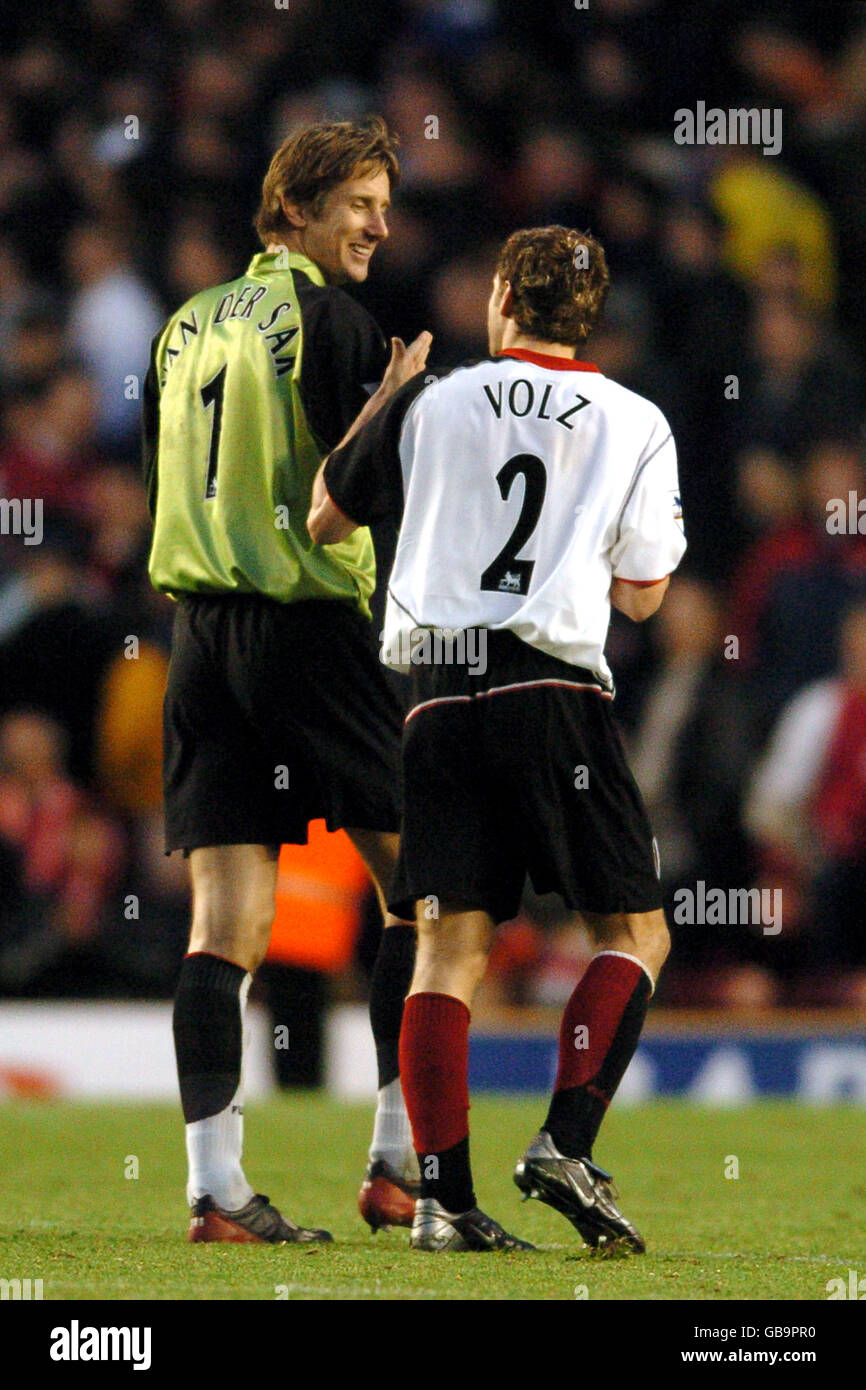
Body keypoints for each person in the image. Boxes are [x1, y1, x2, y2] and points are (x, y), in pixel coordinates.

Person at [309, 225, 686, 1253]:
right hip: (552, 691)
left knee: (447, 946)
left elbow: (326, 518)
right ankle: (564, 1142)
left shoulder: (434, 400)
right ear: (592, 313)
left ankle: (440, 1201)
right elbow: (644, 596)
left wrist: (388, 396)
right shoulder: (633, 419)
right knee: (634, 933)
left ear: (499, 298)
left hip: (432, 698)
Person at [143, 117, 431, 1244]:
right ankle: (398, 1163)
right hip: (309, 625)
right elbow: (344, 492)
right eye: (359, 201)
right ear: (297, 207)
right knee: (426, 883)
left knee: (223, 931)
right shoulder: (333, 320)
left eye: (382, 202)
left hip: (200, 639)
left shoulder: (183, 324)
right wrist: (397, 393)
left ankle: (216, 1189)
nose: (379, 224)